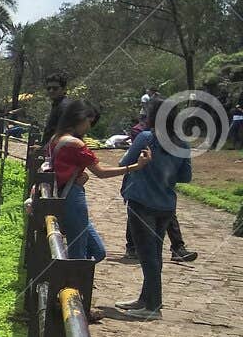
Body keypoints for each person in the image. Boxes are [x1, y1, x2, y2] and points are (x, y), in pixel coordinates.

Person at [115, 97, 193, 320]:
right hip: (166, 205)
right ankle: (145, 298)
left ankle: (153, 305)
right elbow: (186, 177)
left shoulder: (147, 137)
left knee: (147, 256)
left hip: (142, 203)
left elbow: (124, 164)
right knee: (155, 253)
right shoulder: (183, 143)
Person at [48, 98, 148, 264]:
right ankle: (76, 282)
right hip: (73, 197)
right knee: (78, 252)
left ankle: (76, 279)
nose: (89, 127)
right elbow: (101, 172)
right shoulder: (76, 144)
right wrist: (136, 166)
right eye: (88, 121)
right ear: (78, 118)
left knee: (97, 251)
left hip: (66, 194)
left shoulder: (56, 139)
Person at [39, 72, 68, 144]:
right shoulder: (56, 105)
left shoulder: (64, 107)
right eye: (48, 88)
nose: (51, 91)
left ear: (64, 89)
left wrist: (44, 148)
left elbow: (62, 134)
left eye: (55, 88)